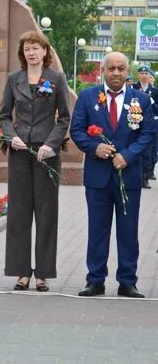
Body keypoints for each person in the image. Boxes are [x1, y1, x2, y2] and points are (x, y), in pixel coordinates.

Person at [70, 51, 154, 298]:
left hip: (128, 177)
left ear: (128, 71)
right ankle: (95, 280)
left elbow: (148, 134)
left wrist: (127, 156)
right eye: (111, 68)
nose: (116, 73)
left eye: (121, 68)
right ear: (103, 71)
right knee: (97, 230)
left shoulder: (142, 100)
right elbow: (77, 130)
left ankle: (127, 281)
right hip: (98, 177)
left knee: (128, 231)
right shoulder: (87, 97)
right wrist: (95, 148)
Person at [0, 31, 71, 293]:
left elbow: (64, 118)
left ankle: (42, 274)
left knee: (46, 213)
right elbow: (5, 116)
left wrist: (51, 145)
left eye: (36, 48)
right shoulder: (13, 80)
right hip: (19, 154)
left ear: (45, 52)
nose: (31, 53)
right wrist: (11, 136)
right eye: (27, 48)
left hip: (47, 156)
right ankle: (21, 272)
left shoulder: (56, 79)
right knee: (18, 214)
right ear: (23, 53)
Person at [135, 65, 158, 189]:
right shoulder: (133, 88)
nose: (144, 75)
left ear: (149, 76)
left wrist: (152, 101)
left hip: (150, 124)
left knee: (149, 151)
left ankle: (145, 178)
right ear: (138, 75)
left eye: (146, 73)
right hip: (135, 122)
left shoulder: (155, 91)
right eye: (141, 73)